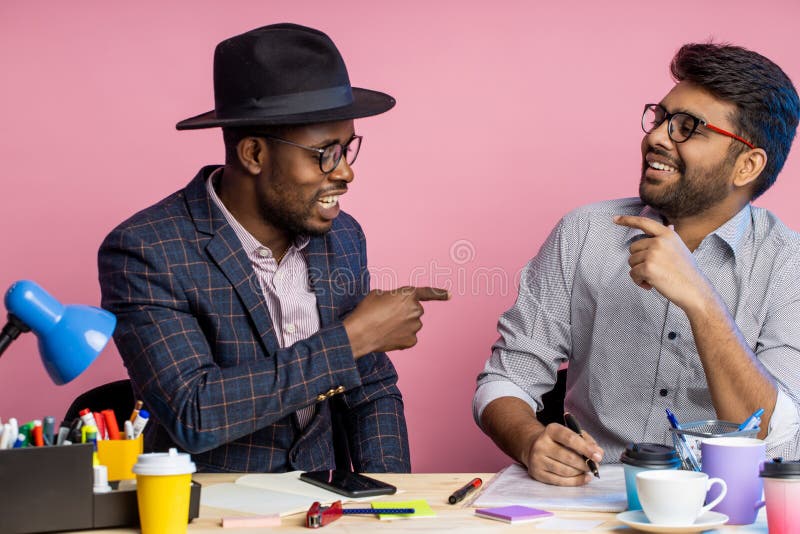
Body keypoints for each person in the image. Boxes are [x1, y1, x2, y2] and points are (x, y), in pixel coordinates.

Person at [98, 23, 448, 473]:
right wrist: (354, 338)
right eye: (325, 153)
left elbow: (371, 392)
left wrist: (389, 504)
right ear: (254, 154)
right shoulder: (146, 251)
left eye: (347, 149)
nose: (345, 173)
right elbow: (194, 412)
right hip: (213, 511)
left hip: (326, 506)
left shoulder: (343, 237)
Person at [474, 42, 800, 486]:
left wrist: (701, 300)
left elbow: (772, 435)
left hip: (728, 502)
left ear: (746, 165)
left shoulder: (788, 265)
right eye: (662, 117)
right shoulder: (584, 232)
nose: (658, 137)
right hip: (594, 496)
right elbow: (505, 380)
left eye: (688, 127)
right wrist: (530, 440)